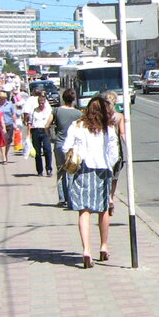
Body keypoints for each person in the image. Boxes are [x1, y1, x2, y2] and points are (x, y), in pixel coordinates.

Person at [62, 95, 120, 268]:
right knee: (103, 210)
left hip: (83, 170)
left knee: (84, 211)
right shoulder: (108, 128)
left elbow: (66, 147)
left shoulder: (77, 125)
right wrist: (109, 166)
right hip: (103, 170)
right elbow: (114, 153)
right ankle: (103, 247)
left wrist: (76, 153)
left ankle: (86, 250)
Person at [51, 89, 81, 208]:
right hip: (74, 146)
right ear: (73, 99)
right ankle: (71, 199)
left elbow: (47, 125)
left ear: (63, 98)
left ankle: (62, 198)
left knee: (61, 171)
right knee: (72, 171)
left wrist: (52, 135)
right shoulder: (78, 114)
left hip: (60, 143)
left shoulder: (57, 111)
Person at [101, 91, 126, 215]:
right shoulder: (119, 116)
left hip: (103, 150)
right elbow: (122, 134)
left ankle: (106, 198)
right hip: (116, 150)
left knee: (105, 176)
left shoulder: (101, 117)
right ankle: (111, 197)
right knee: (114, 178)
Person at [29, 93, 55, 176]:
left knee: (47, 150)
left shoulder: (49, 111)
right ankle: (39, 170)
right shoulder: (34, 111)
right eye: (40, 103)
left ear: (45, 102)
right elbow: (30, 122)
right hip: (36, 130)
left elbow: (52, 121)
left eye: (43, 102)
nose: (41, 104)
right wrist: (28, 134)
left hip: (45, 131)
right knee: (37, 152)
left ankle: (49, 169)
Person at [0, 93, 16, 165]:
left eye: (4, 98)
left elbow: (13, 114)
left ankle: (5, 154)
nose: (2, 100)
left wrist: (15, 124)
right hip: (1, 126)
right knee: (3, 141)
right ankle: (4, 158)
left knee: (8, 141)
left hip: (9, 124)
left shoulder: (9, 104)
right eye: (1, 98)